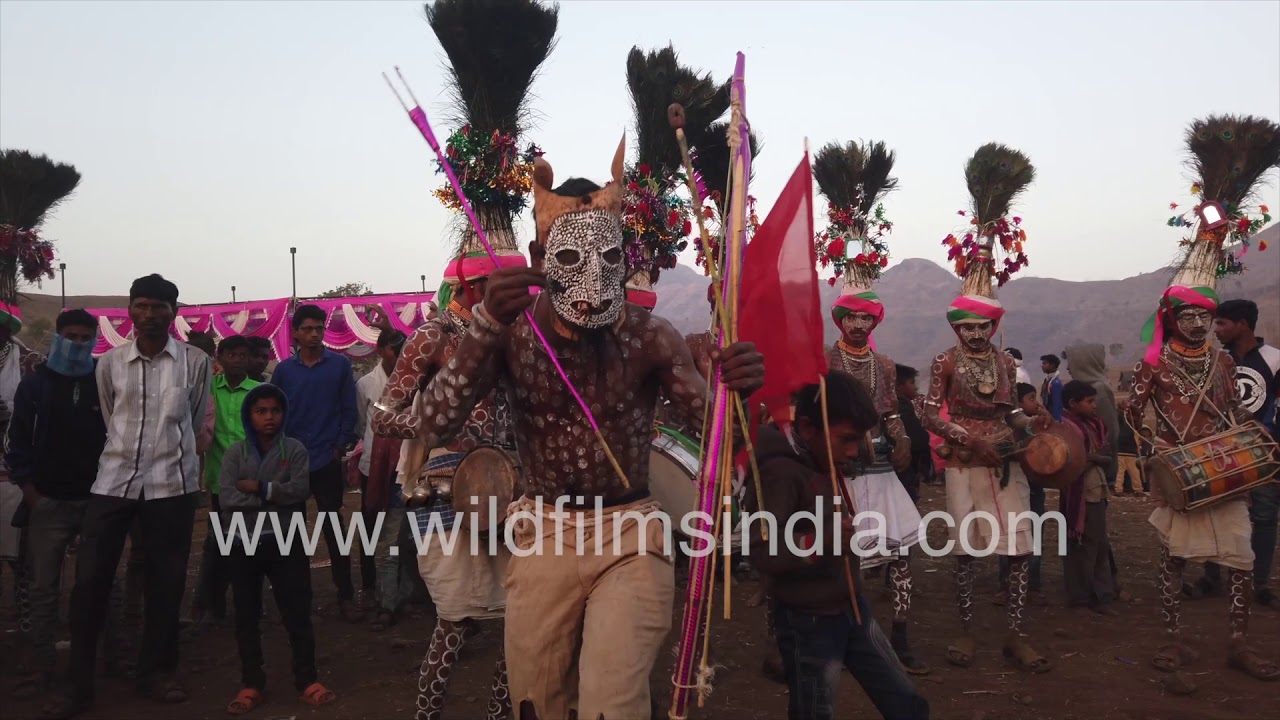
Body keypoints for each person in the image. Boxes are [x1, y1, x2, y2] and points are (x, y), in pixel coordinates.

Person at [405, 141, 765, 719]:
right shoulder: (511, 335)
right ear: (538, 256)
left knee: (612, 704)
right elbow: (433, 423)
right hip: (543, 529)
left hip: (630, 532)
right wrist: (484, 328)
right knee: (536, 702)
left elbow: (720, 436)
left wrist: (740, 398)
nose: (594, 279)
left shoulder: (650, 336)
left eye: (610, 257)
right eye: (572, 260)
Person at [1123, 137, 1279, 687]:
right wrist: (1154, 451)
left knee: (1238, 560)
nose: (1197, 323)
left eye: (1204, 316)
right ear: (1171, 317)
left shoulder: (1219, 363)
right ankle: (1173, 640)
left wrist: (1245, 442)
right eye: (1187, 315)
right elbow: (1132, 417)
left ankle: (1237, 643)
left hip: (1223, 470)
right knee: (1174, 559)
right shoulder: (1154, 364)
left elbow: (1234, 411)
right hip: (1179, 470)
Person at [42, 274, 211, 719]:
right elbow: (108, 419)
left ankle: (156, 673)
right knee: (90, 584)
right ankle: (79, 685)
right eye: (141, 305)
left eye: (160, 307)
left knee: (166, 583)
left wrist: (170, 461)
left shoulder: (195, 363)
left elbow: (193, 425)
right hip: (112, 485)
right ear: (130, 311)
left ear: (174, 312)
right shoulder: (109, 363)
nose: (150, 315)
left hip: (171, 488)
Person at [923, 143, 1053, 675]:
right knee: (968, 553)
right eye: (966, 327)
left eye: (982, 326)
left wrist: (1032, 424)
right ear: (956, 328)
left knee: (1017, 551)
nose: (974, 333)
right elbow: (931, 413)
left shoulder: (1005, 362)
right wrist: (965, 437)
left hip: (1006, 464)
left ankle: (1016, 635)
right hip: (964, 464)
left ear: (992, 326)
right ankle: (967, 632)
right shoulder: (944, 361)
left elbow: (1011, 412)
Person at [746, 372, 930, 720]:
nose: (853, 449)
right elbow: (763, 550)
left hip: (852, 609)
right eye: (846, 439)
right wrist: (823, 540)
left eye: (858, 439)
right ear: (808, 428)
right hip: (808, 622)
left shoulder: (823, 458)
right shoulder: (781, 474)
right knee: (814, 712)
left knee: (906, 704)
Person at [4, 310, 106, 698]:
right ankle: (42, 666)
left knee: (100, 584)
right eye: (71, 336)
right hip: (47, 502)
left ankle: (106, 661)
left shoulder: (103, 378)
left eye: (85, 337)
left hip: (97, 501)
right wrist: (32, 495)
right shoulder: (35, 384)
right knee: (43, 588)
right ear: (57, 338)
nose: (78, 343)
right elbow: (16, 442)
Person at [218, 383, 334, 714]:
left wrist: (258, 487)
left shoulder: (295, 450)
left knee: (297, 611)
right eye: (261, 411)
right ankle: (251, 682)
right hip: (242, 541)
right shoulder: (234, 453)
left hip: (287, 540)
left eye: (275, 411)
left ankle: (307, 680)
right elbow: (227, 498)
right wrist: (274, 495)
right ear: (248, 415)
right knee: (246, 614)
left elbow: (298, 491)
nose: (269, 417)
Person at [271, 304, 362, 622]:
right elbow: (277, 415)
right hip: (292, 461)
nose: (314, 334)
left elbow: (348, 409)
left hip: (327, 457)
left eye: (319, 328)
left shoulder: (339, 366)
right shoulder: (283, 371)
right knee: (293, 531)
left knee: (333, 527)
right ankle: (298, 599)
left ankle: (346, 595)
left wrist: (340, 446)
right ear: (295, 333)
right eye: (307, 329)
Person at [1195, 299, 1280, 606]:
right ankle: (1212, 577)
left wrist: (1273, 443)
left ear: (1242, 324)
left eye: (1221, 324)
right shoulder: (1213, 359)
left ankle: (1259, 585)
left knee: (1265, 516)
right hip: (1220, 451)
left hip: (1263, 452)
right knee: (1216, 510)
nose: (1215, 330)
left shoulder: (1274, 360)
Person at [192, 335, 260, 627]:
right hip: (221, 482)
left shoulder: (260, 392)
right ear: (219, 357)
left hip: (254, 482)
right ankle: (213, 605)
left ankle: (252, 605)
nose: (236, 360)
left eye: (242, 355)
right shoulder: (208, 390)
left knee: (254, 544)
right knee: (218, 545)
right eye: (230, 355)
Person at [355, 328, 409, 628]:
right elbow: (362, 424)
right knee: (371, 530)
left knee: (401, 536)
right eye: (394, 348)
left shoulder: (415, 382)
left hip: (404, 468)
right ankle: (370, 588)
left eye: (403, 347)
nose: (400, 353)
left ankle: (395, 598)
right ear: (381, 350)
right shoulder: (365, 384)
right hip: (373, 466)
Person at [1059, 380, 1117, 614]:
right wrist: (1094, 457)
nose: (1094, 406)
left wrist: (1091, 457)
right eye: (1089, 401)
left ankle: (1101, 596)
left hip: (1096, 489)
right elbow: (1069, 462)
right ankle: (1081, 598)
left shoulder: (1094, 425)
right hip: (1080, 494)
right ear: (1073, 403)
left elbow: (1105, 454)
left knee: (1098, 545)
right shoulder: (1065, 428)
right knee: (1081, 546)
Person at [1040, 353, 1064, 421]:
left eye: (1045, 363)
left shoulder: (1055, 383)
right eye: (1042, 363)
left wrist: (1057, 420)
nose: (1042, 366)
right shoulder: (1048, 380)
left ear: (1052, 365)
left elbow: (1057, 404)